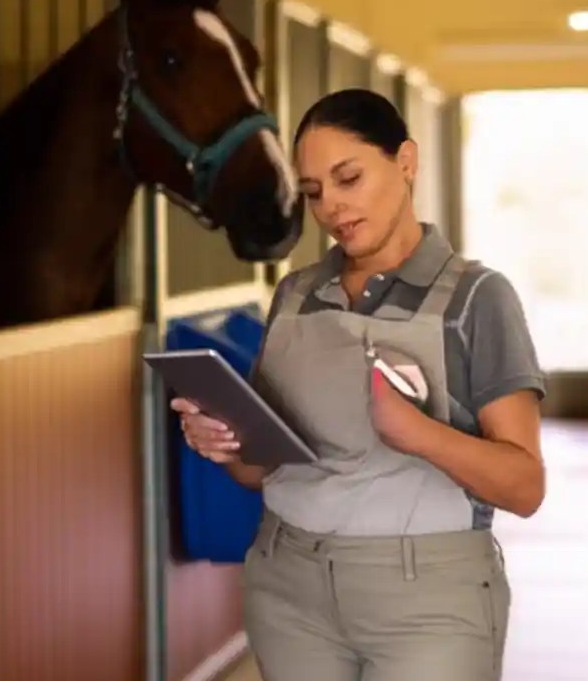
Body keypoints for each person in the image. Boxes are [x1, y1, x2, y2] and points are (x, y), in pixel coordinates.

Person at [169, 88, 547, 681]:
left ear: (406, 162)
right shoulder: (295, 294)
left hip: (428, 601)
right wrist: (224, 443)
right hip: (288, 586)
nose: (333, 209)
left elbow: (525, 486)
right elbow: (261, 469)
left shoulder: (477, 297)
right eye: (315, 192)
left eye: (349, 178)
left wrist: (420, 435)